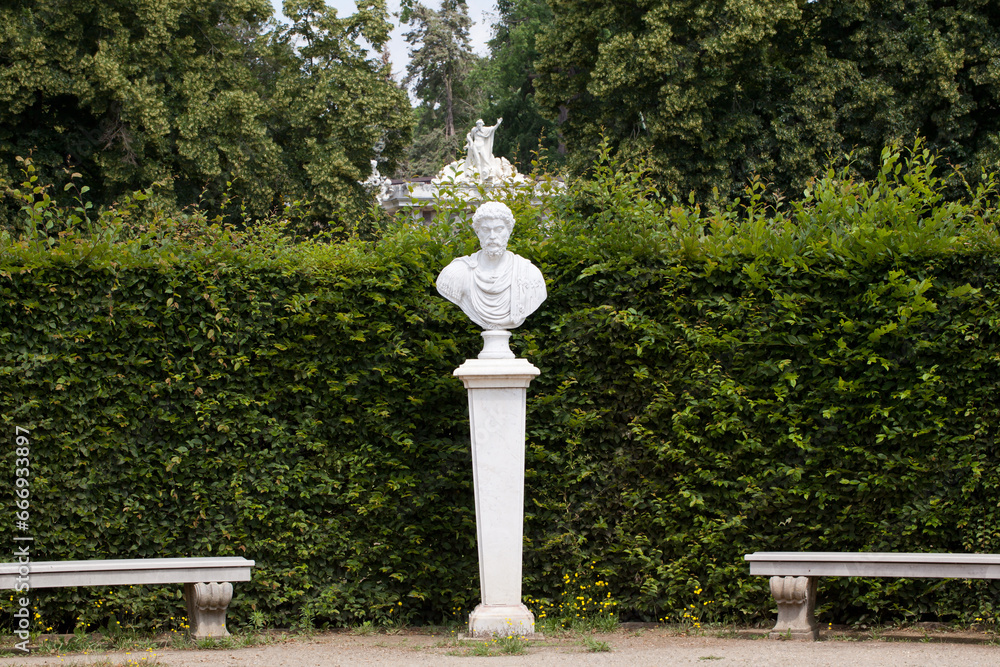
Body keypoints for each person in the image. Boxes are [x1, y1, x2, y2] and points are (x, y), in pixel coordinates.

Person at [436, 201, 546, 331]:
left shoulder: (529, 273)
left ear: (509, 231)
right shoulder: (457, 272)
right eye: (485, 229)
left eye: (499, 229)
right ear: (477, 232)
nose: (492, 236)